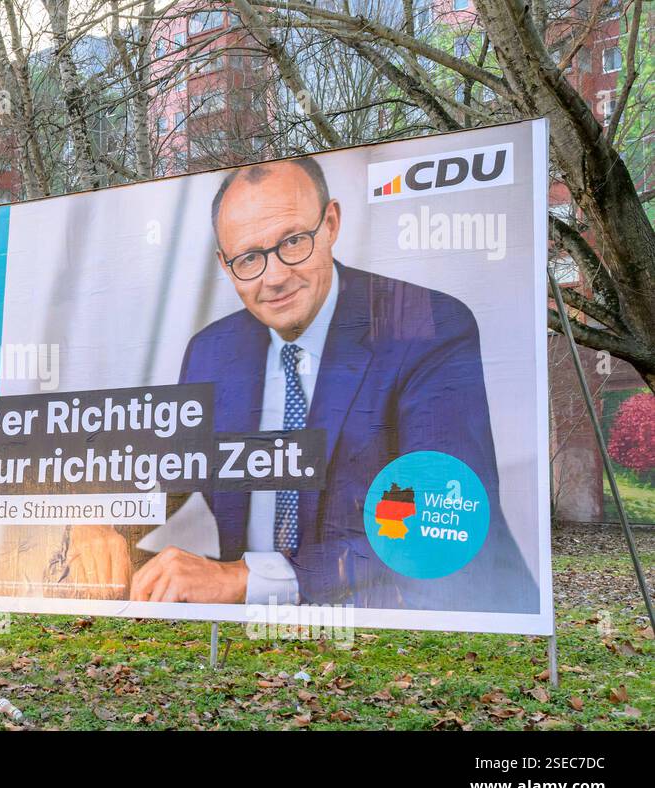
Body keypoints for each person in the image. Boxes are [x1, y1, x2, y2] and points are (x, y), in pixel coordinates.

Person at [67, 156, 537, 612]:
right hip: (252, 648)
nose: (274, 277)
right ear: (224, 263)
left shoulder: (428, 327)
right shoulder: (212, 351)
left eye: (293, 242)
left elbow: (440, 523)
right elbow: (174, 468)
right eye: (249, 258)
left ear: (330, 223)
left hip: (426, 631)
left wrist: (248, 580)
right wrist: (101, 520)